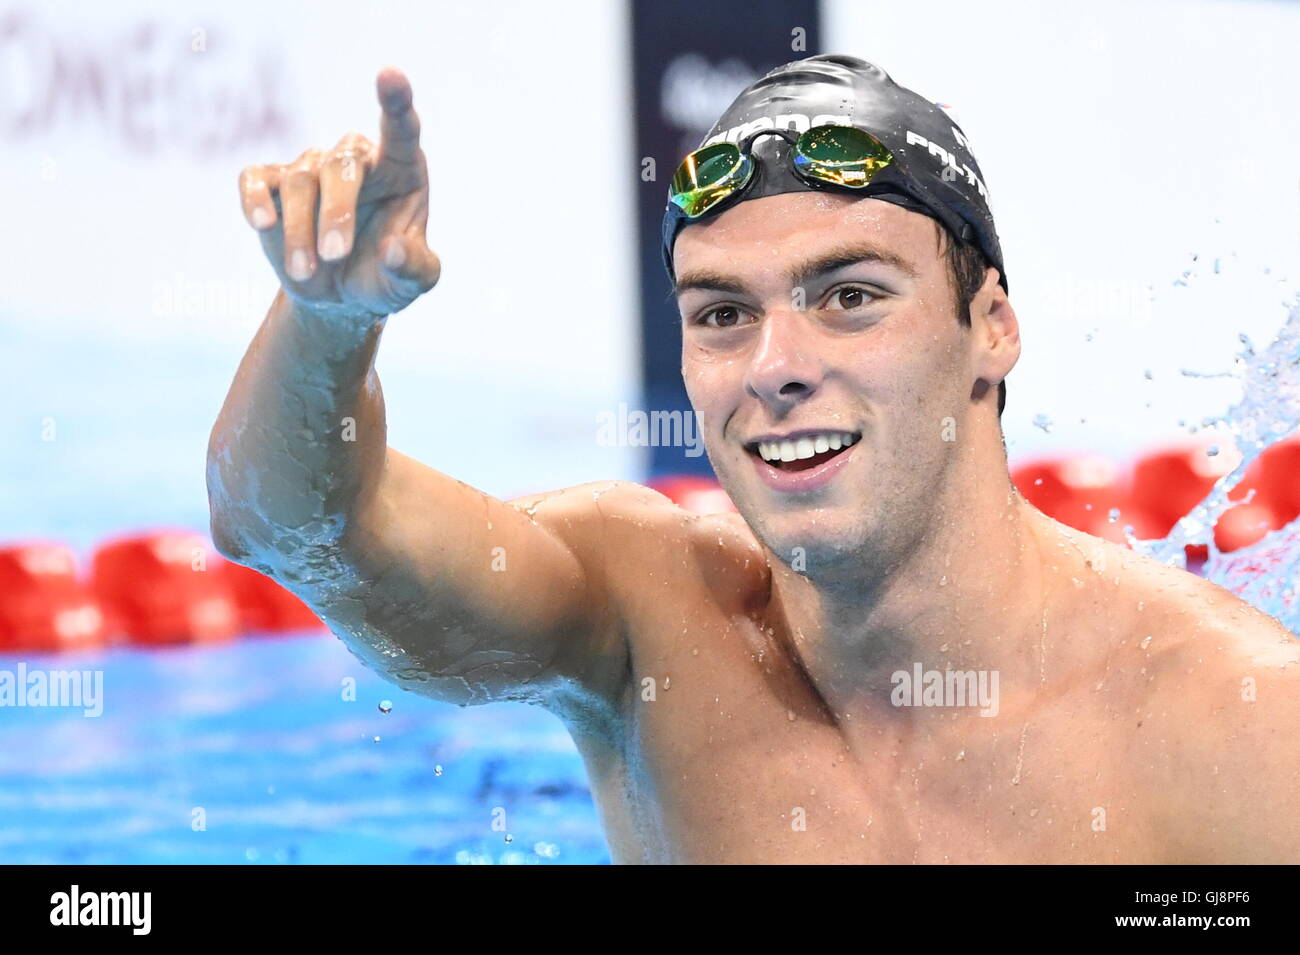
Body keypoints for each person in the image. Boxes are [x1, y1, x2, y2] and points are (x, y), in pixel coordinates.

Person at [208, 55, 1300, 864]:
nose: (774, 365)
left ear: (992, 326)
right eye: (723, 313)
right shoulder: (642, 620)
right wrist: (324, 323)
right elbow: (292, 526)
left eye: (850, 297)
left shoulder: (1235, 725)